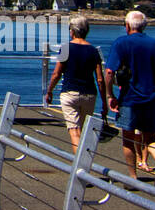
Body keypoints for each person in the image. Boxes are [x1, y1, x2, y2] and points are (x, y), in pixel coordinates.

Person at [105, 10, 155, 179]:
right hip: (152, 98)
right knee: (151, 137)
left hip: (129, 99)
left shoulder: (121, 43)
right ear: (144, 26)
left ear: (127, 26)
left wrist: (109, 95)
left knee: (128, 139)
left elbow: (109, 72)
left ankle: (133, 177)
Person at [45, 15, 108, 151]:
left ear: (72, 31)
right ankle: (84, 162)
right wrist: (104, 102)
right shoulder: (93, 51)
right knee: (85, 131)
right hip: (89, 94)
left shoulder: (66, 48)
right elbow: (100, 79)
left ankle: (79, 166)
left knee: (75, 132)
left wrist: (49, 91)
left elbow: (56, 74)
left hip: (69, 93)